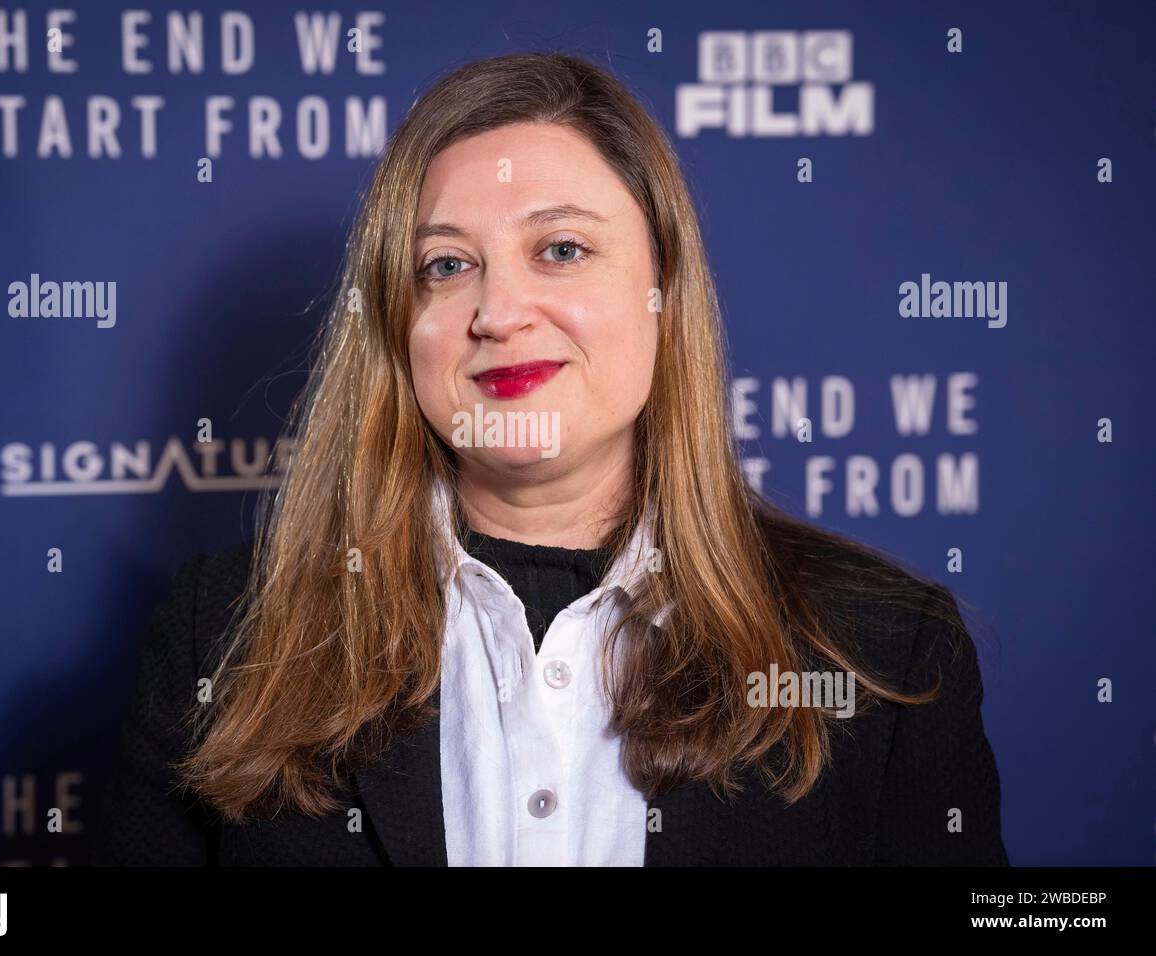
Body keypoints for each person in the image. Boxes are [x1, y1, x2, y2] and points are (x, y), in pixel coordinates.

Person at [94, 51, 1008, 866]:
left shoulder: (881, 649)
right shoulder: (222, 635)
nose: (499, 311)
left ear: (663, 293)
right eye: (446, 267)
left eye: (561, 249)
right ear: (396, 327)